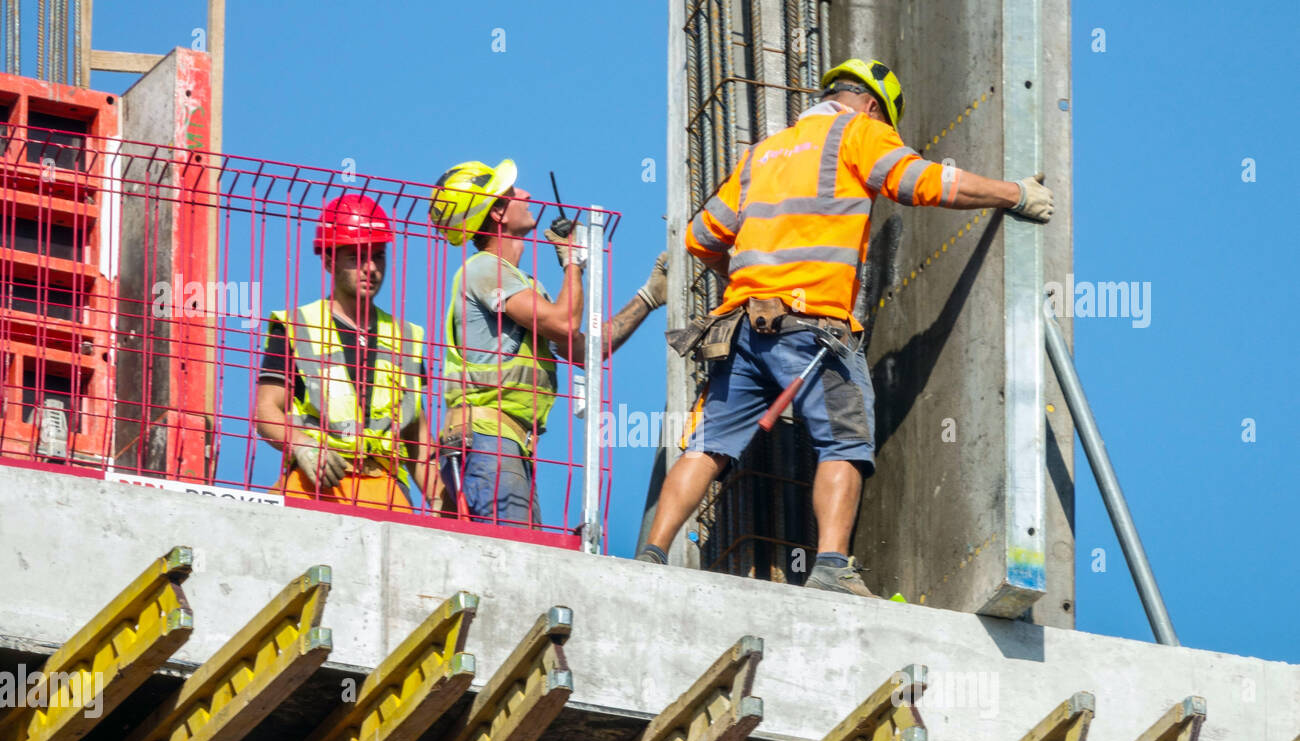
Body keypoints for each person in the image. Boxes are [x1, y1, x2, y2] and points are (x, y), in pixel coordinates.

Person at [638, 57, 1054, 596]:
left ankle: (652, 553)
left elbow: (700, 237)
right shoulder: (860, 133)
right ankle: (832, 567)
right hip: (813, 328)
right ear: (874, 105)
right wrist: (1013, 194)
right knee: (843, 443)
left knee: (708, 447)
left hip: (738, 330)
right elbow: (923, 182)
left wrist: (747, 279)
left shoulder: (764, 153)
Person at [429, 159, 667, 527]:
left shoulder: (520, 287)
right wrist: (573, 263)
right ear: (497, 212)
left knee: (524, 549)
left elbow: (587, 349)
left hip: (504, 443)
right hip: (487, 439)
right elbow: (565, 321)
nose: (524, 195)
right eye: (511, 193)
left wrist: (648, 297)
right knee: (513, 554)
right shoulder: (482, 269)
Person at [255, 194, 436, 510]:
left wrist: (441, 500)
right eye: (357, 257)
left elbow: (416, 437)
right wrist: (303, 446)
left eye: (378, 256)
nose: (371, 269)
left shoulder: (407, 337)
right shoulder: (298, 325)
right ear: (328, 260)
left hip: (385, 492)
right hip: (315, 485)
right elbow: (266, 409)